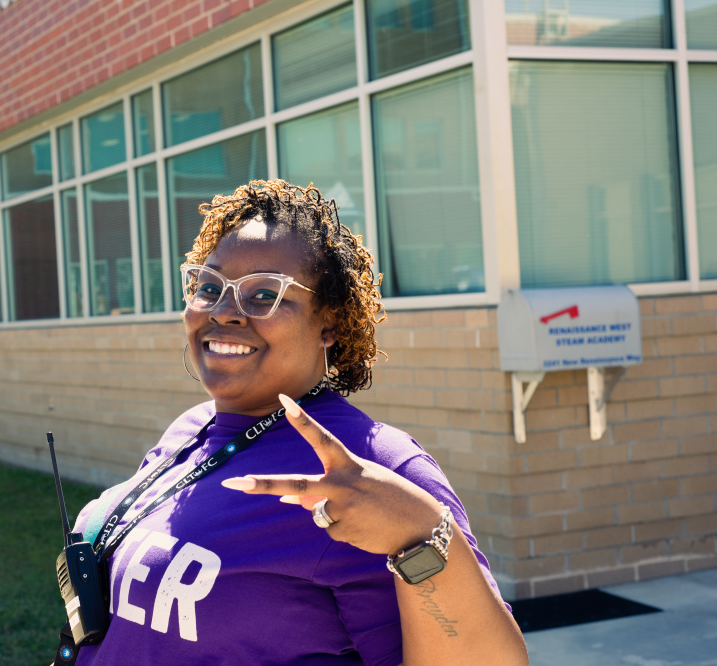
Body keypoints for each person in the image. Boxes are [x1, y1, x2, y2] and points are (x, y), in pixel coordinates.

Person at [69, 179, 527, 665]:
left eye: (263, 295)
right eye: (209, 287)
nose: (225, 312)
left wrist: (420, 530)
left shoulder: (373, 463)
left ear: (328, 322)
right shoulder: (191, 430)